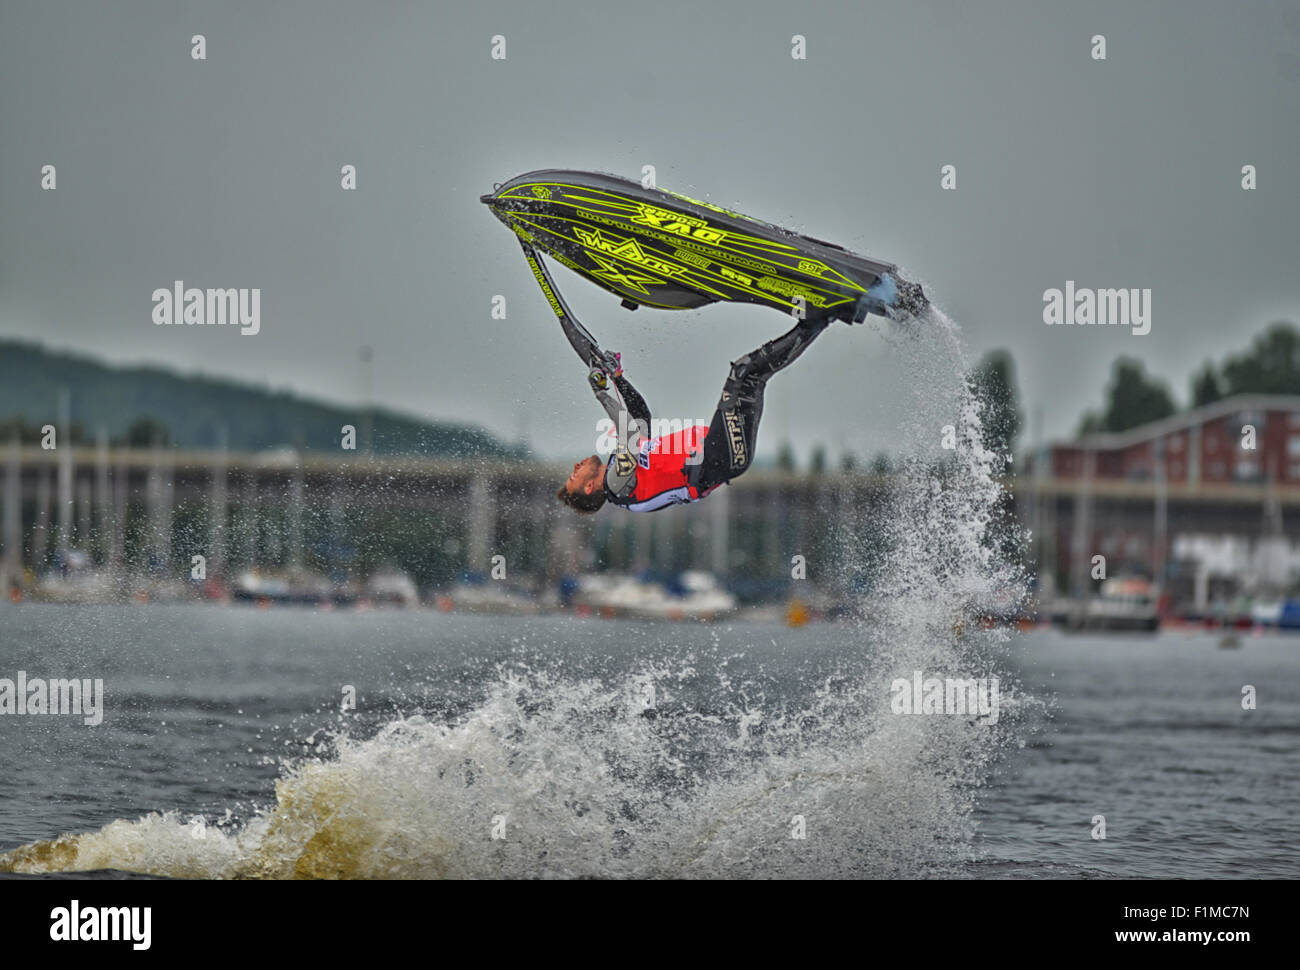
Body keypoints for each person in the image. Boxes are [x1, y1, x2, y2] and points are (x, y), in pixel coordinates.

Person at [557, 314, 834, 513]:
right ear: (590, 487)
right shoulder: (617, 487)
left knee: (751, 375)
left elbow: (639, 414)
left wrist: (616, 378)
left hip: (722, 454)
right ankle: (818, 317)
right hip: (719, 458)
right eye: (574, 477)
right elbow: (628, 432)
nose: (575, 468)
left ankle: (822, 317)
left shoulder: (624, 469)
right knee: (745, 373)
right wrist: (602, 391)